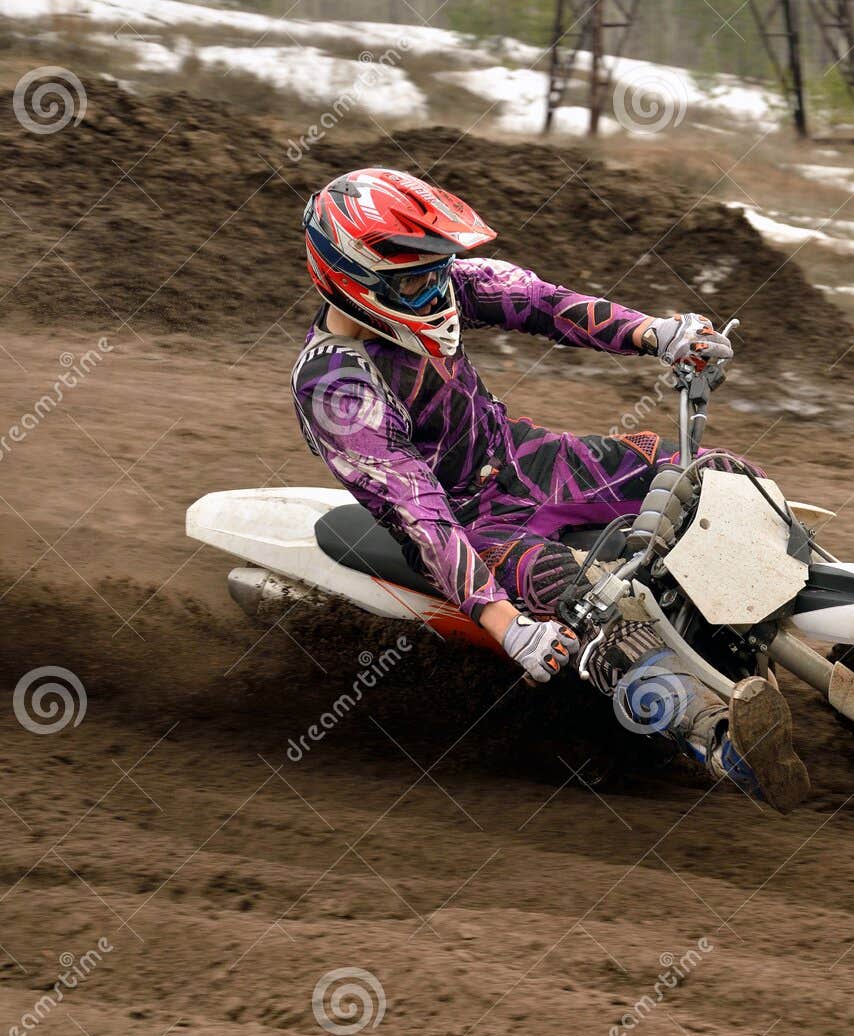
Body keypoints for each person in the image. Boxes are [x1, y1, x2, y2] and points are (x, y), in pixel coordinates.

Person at [291, 168, 808, 812]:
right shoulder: (337, 387)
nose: (437, 287)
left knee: (713, 474)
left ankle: (759, 618)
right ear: (355, 278)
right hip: (477, 525)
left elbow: (540, 302)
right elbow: (421, 516)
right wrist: (510, 629)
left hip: (531, 460)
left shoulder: (441, 287)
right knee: (601, 616)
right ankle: (722, 741)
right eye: (418, 278)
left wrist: (658, 333)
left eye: (441, 267)